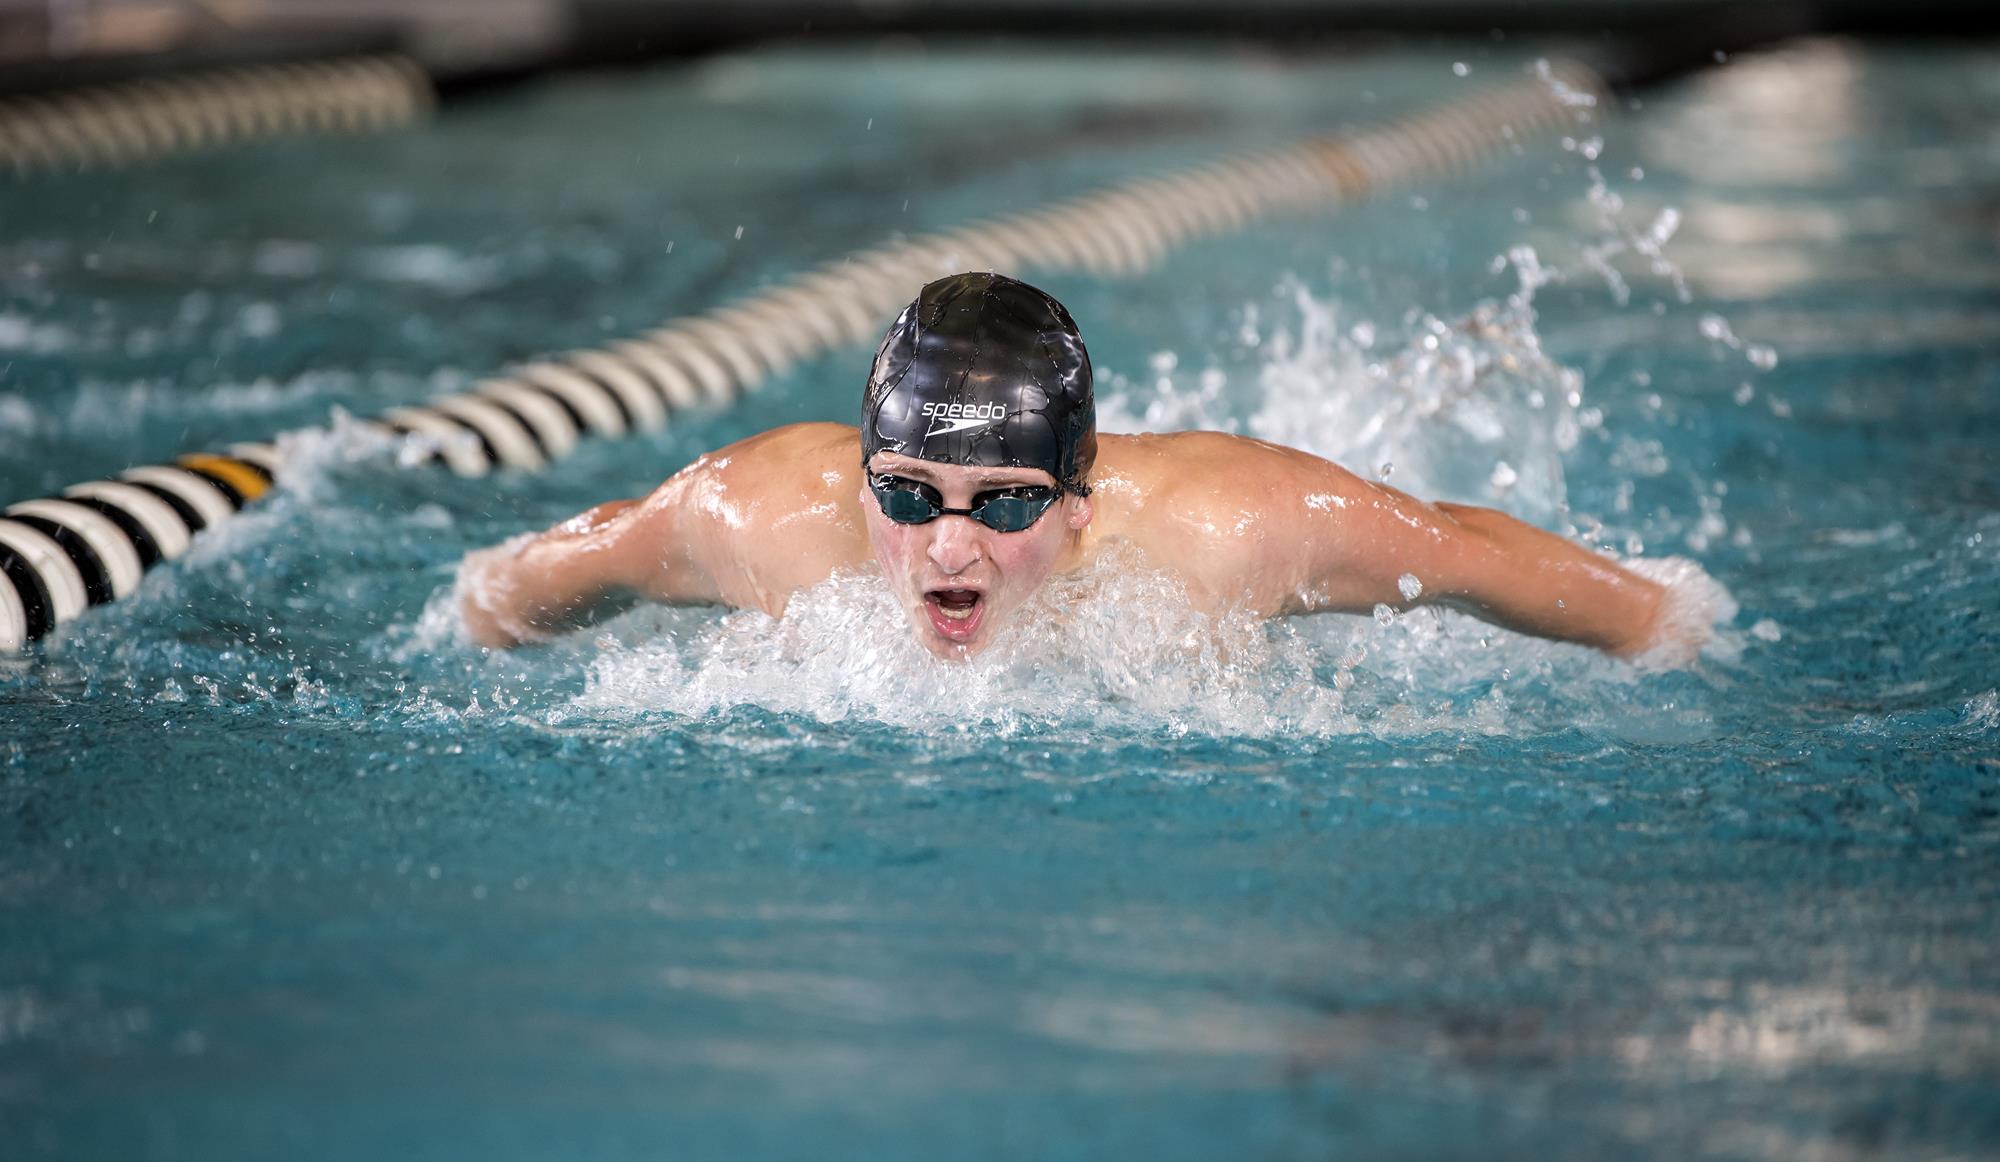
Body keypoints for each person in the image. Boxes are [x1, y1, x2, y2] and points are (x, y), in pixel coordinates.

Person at [457, 271, 1707, 665]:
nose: (947, 548)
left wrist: (1666, 625)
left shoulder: (1227, 531)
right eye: (907, 495)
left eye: (1002, 504)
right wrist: (476, 615)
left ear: (1076, 503)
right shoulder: (762, 515)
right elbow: (538, 579)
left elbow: (1467, 553)